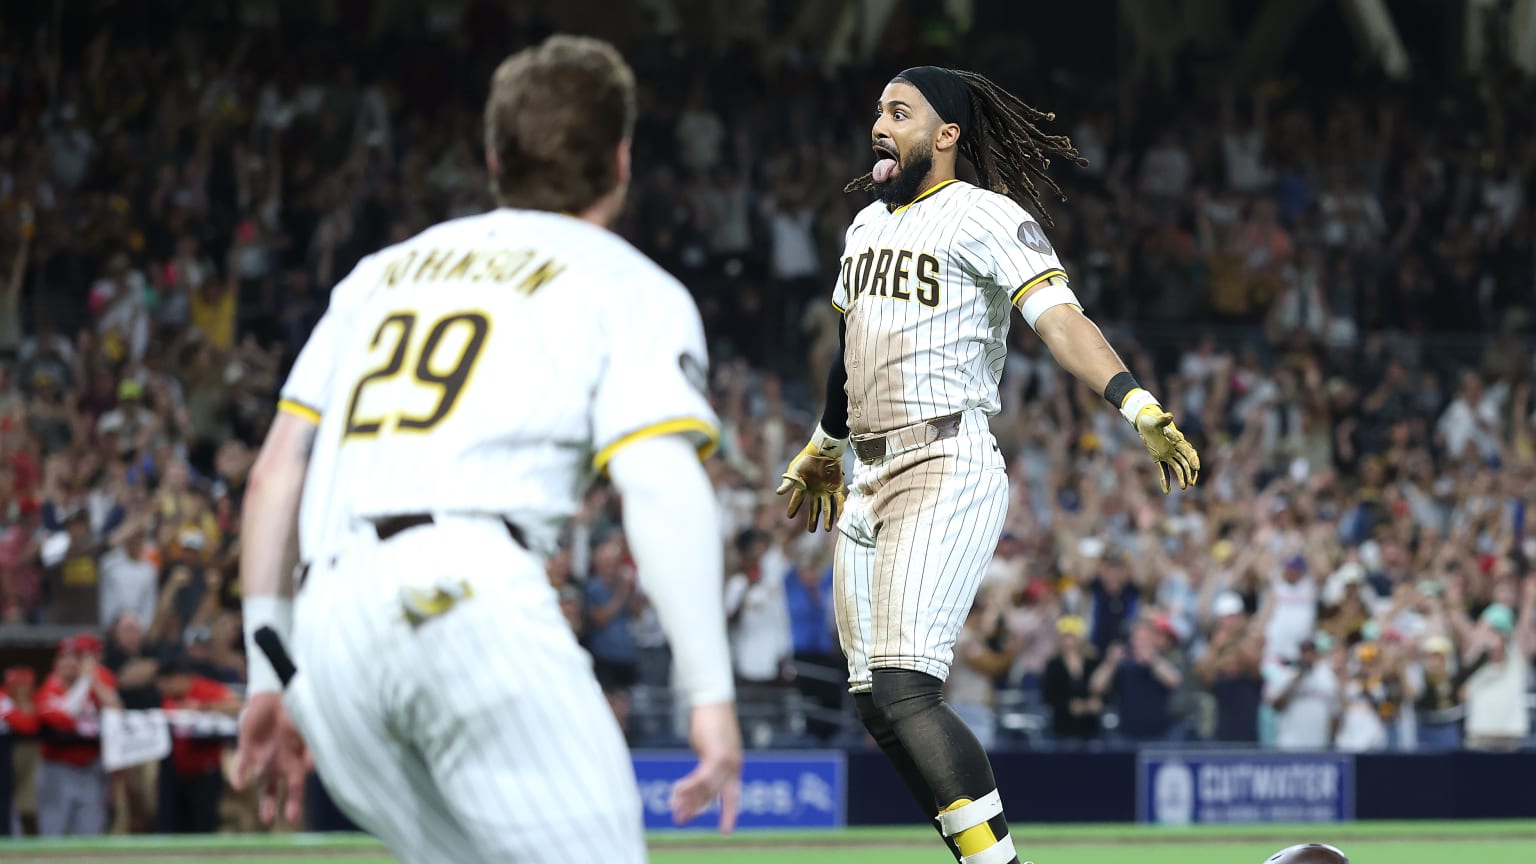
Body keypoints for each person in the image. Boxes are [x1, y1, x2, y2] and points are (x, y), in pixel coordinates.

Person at [233, 36, 742, 864]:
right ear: (621, 159)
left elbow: (274, 472)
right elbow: (656, 478)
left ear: (493, 156)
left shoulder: (378, 274)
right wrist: (711, 692)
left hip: (326, 635)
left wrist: (269, 673)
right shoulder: (626, 281)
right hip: (464, 597)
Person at [775, 65, 1201, 864]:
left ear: (946, 135)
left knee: (907, 689)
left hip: (942, 457)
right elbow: (846, 352)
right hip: (866, 473)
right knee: (874, 702)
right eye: (877, 111)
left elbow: (1061, 320)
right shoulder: (863, 228)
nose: (879, 124)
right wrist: (825, 444)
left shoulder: (985, 215)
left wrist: (1137, 404)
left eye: (899, 112)